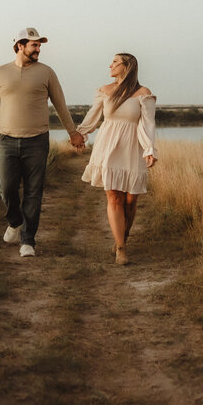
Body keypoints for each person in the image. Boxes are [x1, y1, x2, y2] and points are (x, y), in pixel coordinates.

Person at [0, 27, 86, 257]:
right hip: (6, 139)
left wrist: (72, 132)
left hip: (37, 141)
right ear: (20, 46)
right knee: (6, 188)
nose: (38, 49)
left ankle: (28, 240)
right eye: (34, 45)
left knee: (34, 192)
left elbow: (60, 105)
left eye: (39, 45)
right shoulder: (0, 72)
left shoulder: (47, 73)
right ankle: (15, 222)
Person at [76, 53, 156, 266]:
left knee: (131, 200)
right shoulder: (105, 91)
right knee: (114, 197)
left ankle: (123, 237)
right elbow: (93, 117)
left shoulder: (143, 94)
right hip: (108, 146)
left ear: (127, 66)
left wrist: (149, 149)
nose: (109, 65)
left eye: (114, 62)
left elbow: (148, 124)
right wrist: (80, 135)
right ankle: (121, 248)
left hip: (132, 148)